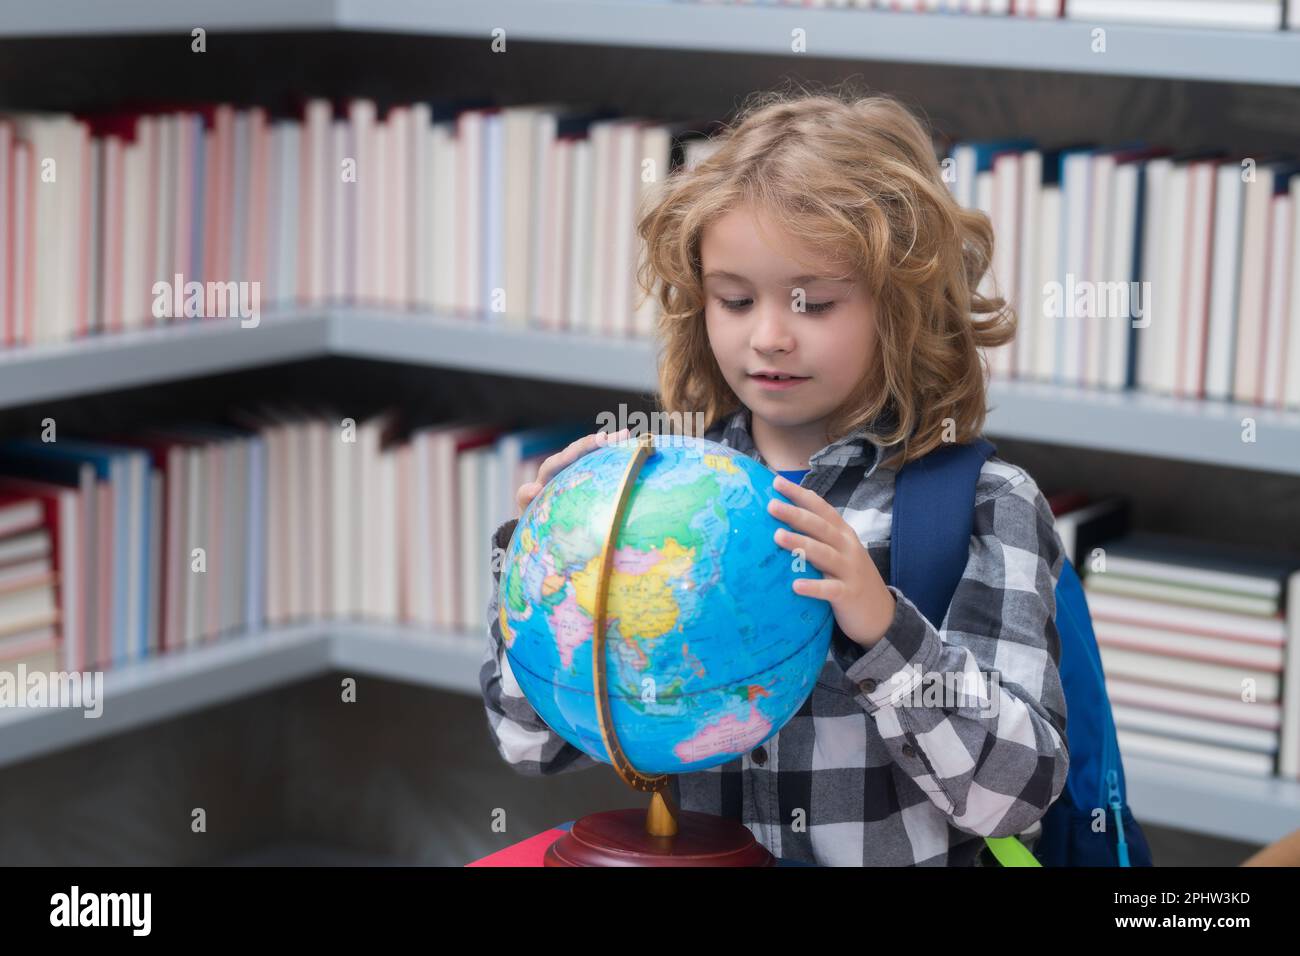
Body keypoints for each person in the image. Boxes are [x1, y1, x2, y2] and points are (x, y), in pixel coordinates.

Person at [480, 85, 1069, 866]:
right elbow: (528, 747)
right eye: (733, 299)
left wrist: (881, 630)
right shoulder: (659, 498)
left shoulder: (982, 507)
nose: (768, 337)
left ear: (902, 309)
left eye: (813, 303)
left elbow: (1016, 794)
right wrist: (541, 568)